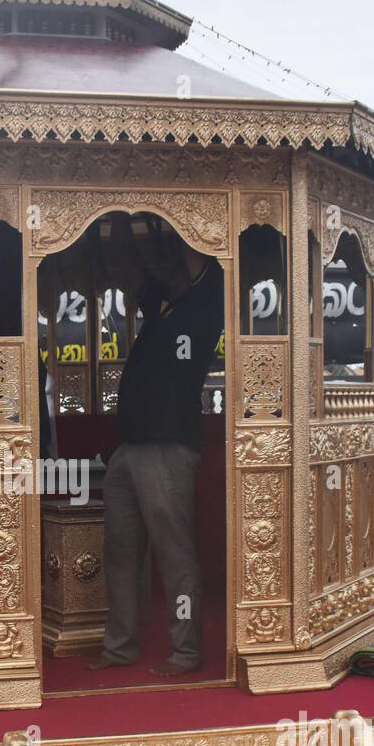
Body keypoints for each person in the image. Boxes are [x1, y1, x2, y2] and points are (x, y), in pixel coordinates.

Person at [88, 218, 224, 677]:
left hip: (166, 447)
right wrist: (124, 218)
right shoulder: (163, 307)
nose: (169, 264)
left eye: (177, 258)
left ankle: (185, 652)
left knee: (174, 553)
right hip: (130, 446)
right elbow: (131, 268)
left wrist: (169, 213)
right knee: (121, 553)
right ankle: (120, 646)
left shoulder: (206, 303)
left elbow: (197, 244)